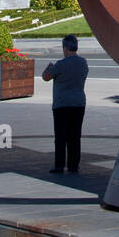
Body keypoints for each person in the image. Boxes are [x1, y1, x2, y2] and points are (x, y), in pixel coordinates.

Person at [41, 34, 88, 174]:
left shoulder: (60, 65)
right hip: (79, 103)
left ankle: (59, 165)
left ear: (65, 48)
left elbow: (45, 77)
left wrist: (48, 67)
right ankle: (74, 165)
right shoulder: (83, 63)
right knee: (75, 136)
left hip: (62, 104)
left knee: (61, 137)